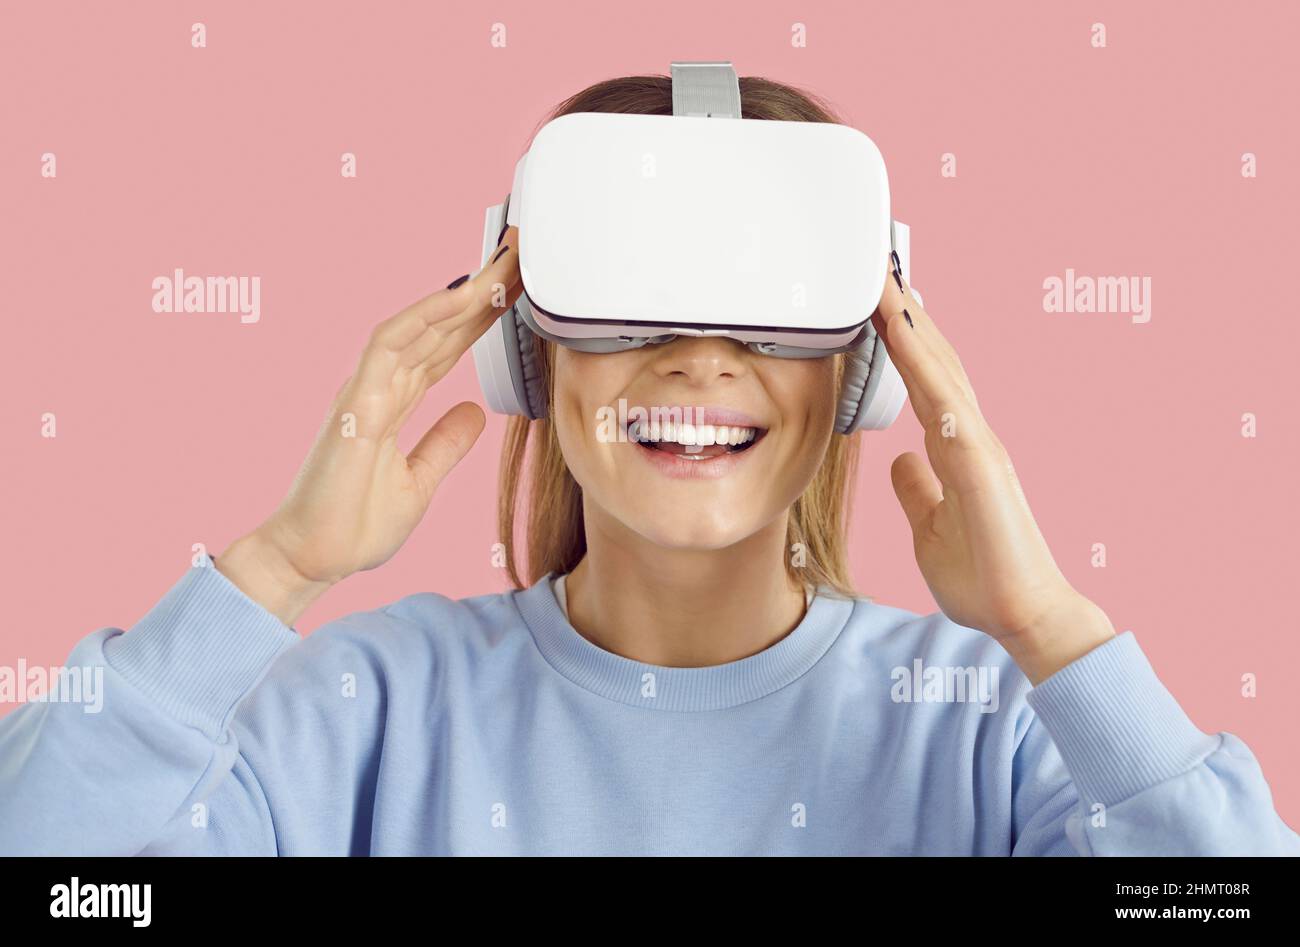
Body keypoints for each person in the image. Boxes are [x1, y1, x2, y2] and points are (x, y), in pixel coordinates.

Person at [2, 75, 1296, 856]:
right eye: (635, 299)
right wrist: (272, 570)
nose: (696, 360)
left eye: (761, 308)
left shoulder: (991, 726)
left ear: (865, 364)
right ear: (526, 351)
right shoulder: (365, 709)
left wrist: (1051, 626)